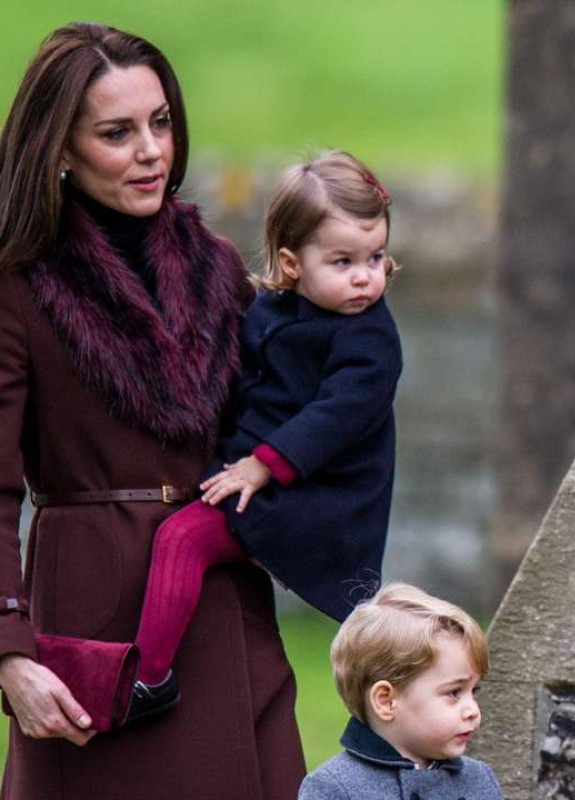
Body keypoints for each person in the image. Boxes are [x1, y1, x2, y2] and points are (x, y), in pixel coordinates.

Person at [0, 22, 305, 799]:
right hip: (98, 624)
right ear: (59, 149)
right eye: (116, 132)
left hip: (224, 601)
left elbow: (283, 422)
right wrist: (10, 655)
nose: (151, 150)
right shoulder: (19, 283)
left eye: (161, 122)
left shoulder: (218, 267)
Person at [123, 149, 403, 721]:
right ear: (292, 262)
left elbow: (335, 417)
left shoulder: (370, 339)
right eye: (343, 260)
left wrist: (262, 464)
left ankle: (148, 679)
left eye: (375, 257)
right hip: (257, 473)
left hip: (310, 496)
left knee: (182, 540)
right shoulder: (271, 309)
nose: (364, 276)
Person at [298, 582, 503, 800]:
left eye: (474, 691)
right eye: (454, 693)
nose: (473, 710)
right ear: (386, 701)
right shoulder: (334, 788)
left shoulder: (478, 779)